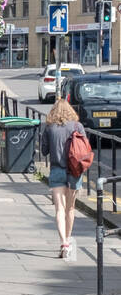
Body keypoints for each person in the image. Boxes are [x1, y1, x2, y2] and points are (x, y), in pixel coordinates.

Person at [39, 99, 87, 259]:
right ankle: (68, 238)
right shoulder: (77, 126)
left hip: (56, 169)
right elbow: (85, 148)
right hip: (74, 171)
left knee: (59, 209)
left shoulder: (50, 127)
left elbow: (44, 151)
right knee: (71, 208)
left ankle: (63, 243)